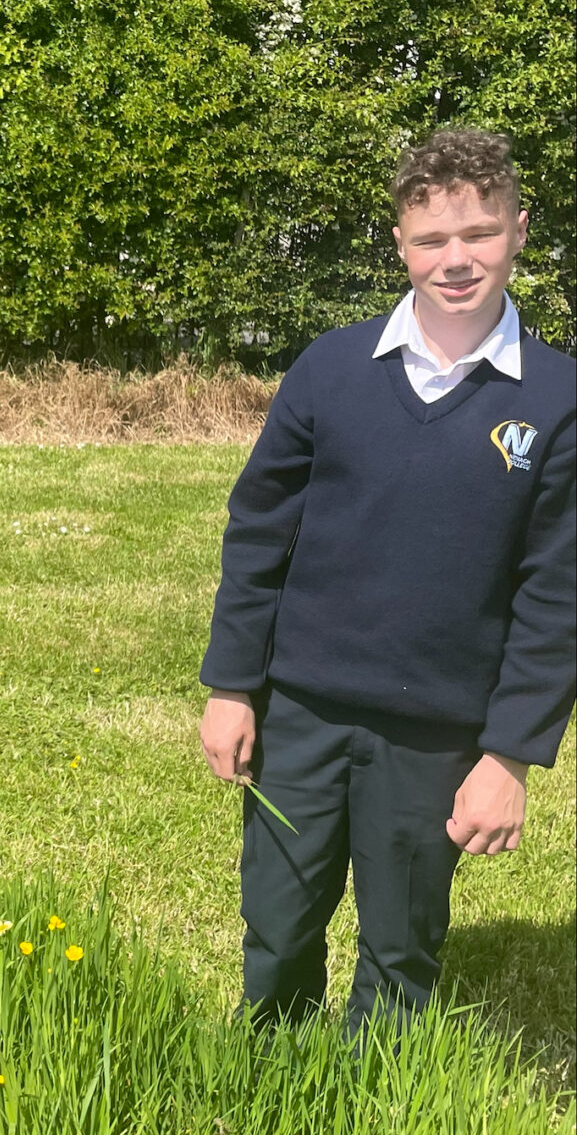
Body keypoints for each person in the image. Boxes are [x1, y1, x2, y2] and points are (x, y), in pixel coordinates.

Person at [198, 127, 575, 1033]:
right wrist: (230, 686)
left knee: (401, 945)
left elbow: (556, 596)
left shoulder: (558, 401)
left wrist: (508, 756)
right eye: (431, 239)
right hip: (300, 710)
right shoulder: (330, 368)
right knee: (277, 924)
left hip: (435, 729)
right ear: (399, 244)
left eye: (478, 233)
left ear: (518, 231)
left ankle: (378, 1097)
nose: (456, 259)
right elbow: (258, 533)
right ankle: (269, 1073)